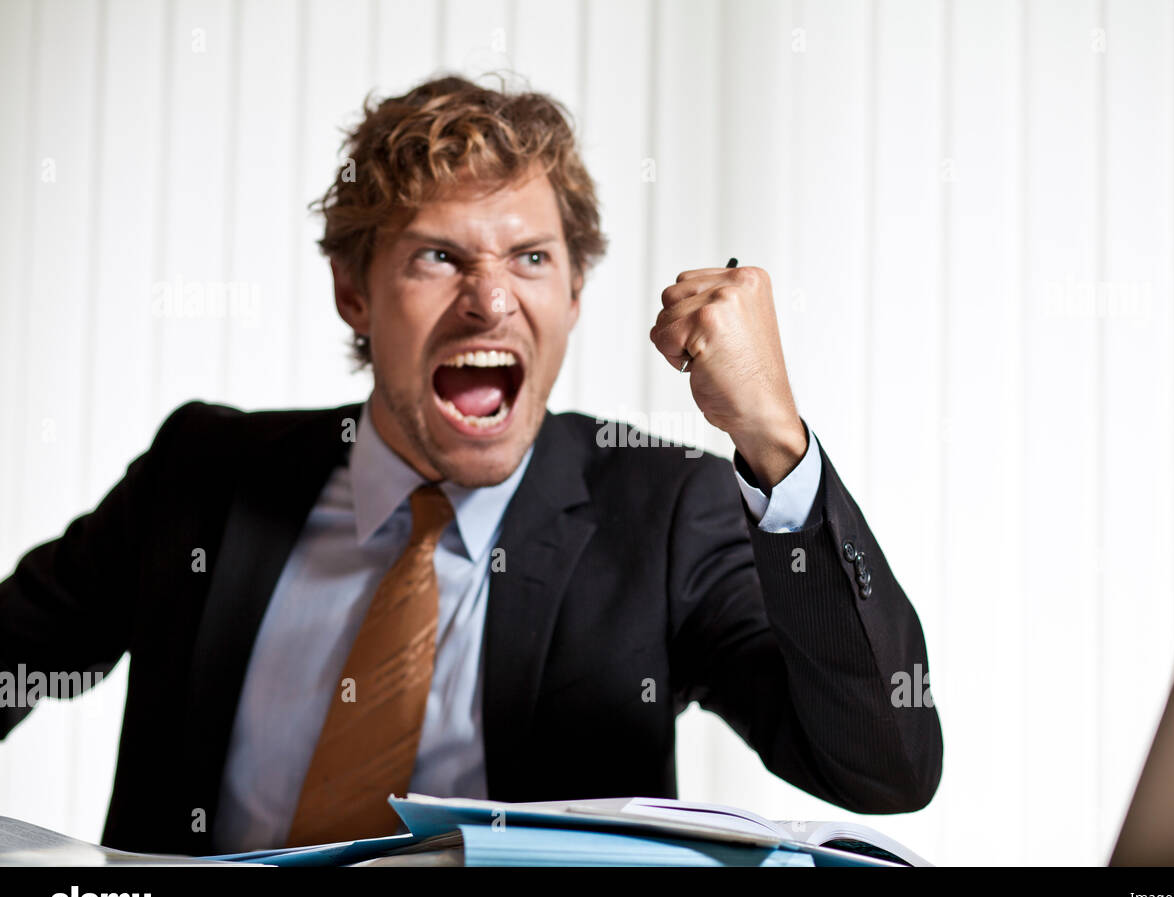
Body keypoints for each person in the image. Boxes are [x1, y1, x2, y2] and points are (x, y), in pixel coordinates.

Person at [0, 74, 941, 855]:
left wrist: (777, 445)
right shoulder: (203, 477)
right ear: (352, 294)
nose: (489, 302)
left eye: (531, 257)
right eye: (438, 257)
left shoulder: (663, 513)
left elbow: (883, 766)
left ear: (575, 294)